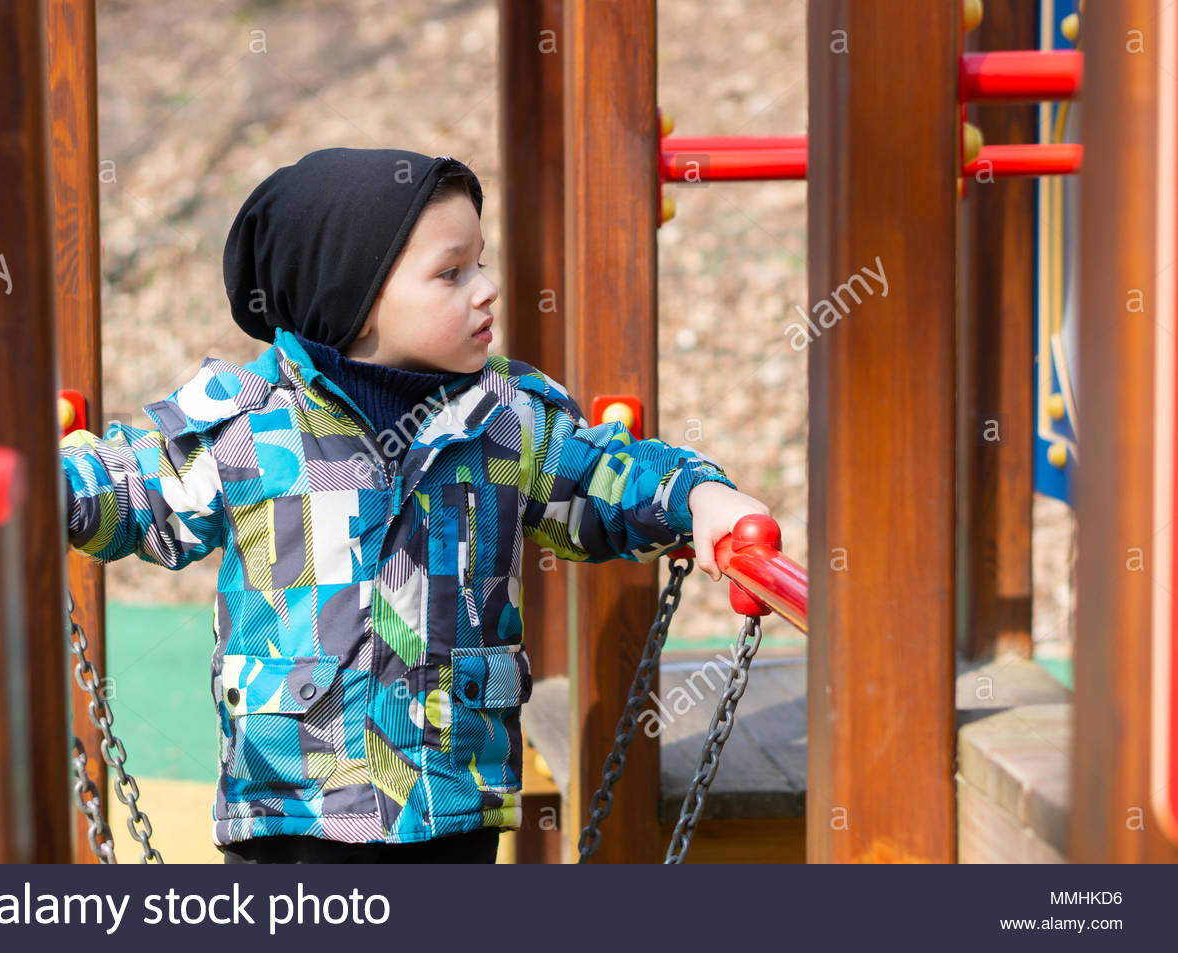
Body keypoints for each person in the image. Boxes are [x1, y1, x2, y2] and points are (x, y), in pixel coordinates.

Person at [59, 147, 768, 864]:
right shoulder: (248, 427)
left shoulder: (505, 422)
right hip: (294, 810)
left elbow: (604, 480)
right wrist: (59, 489)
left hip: (448, 810)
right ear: (357, 298)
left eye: (480, 262)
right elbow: (136, 483)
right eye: (452, 272)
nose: (486, 289)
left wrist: (697, 493)